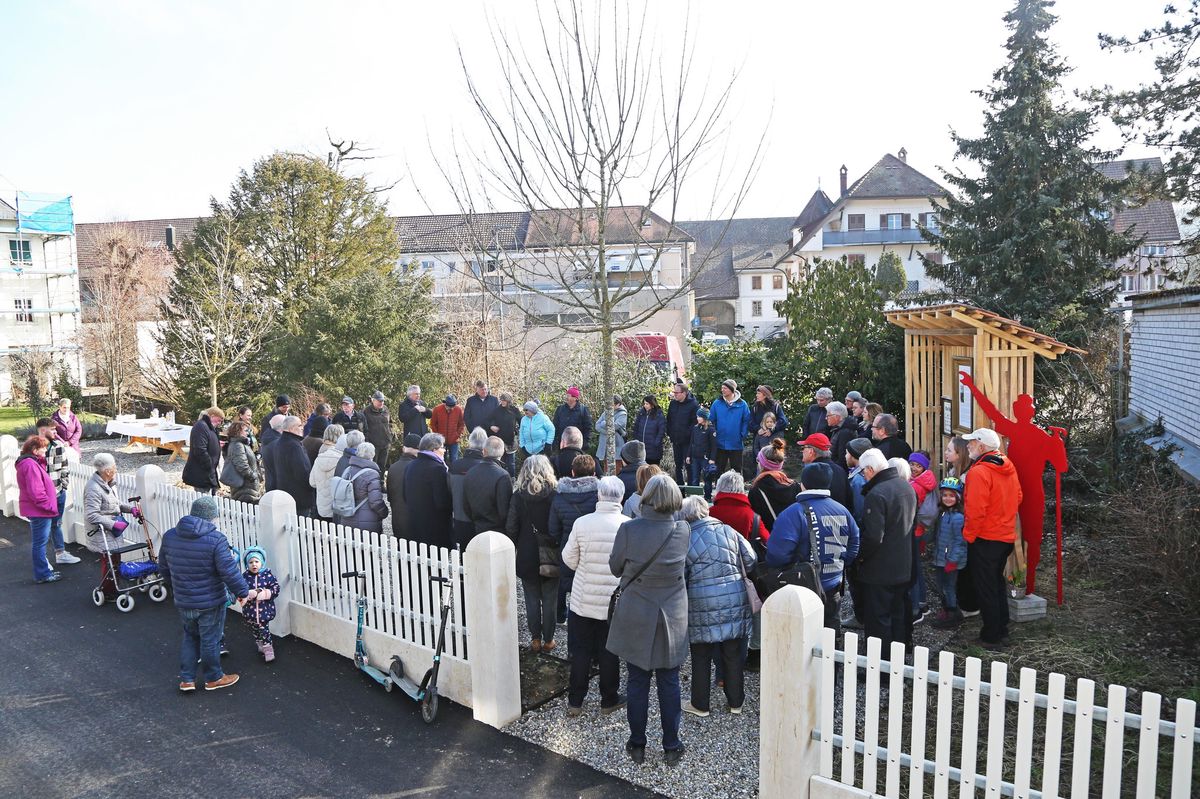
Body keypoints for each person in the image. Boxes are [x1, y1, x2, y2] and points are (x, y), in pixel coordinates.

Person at [959, 371, 1067, 596]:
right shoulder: (1018, 431)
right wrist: (971, 386)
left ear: (1027, 412)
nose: (1019, 412)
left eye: (1022, 410)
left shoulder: (1040, 436)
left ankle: (1029, 585)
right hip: (1012, 488)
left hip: (1030, 491)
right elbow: (992, 412)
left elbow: (1061, 466)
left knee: (1032, 537)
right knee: (1016, 536)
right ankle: (1015, 581)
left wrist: (1057, 443)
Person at [606, 474, 689, 766]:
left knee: (637, 681)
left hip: (636, 612)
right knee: (669, 682)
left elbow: (615, 568)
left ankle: (637, 744)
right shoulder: (683, 530)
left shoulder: (629, 530)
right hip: (672, 615)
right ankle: (671, 744)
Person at [158, 495, 249, 691]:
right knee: (210, 639)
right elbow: (229, 571)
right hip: (210, 601)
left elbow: (164, 568)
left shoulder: (170, 536)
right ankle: (213, 677)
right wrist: (242, 591)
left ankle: (187, 679)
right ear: (211, 517)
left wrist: (176, 588)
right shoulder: (216, 540)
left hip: (184, 600)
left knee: (190, 637)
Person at [679, 495, 755, 718]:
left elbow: (681, 574)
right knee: (732, 652)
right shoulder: (729, 531)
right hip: (734, 599)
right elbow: (750, 558)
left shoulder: (686, 538)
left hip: (701, 602)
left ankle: (700, 704)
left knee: (701, 654)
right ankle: (736, 702)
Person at [767, 462, 862, 630]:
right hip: (834, 583)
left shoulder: (793, 513)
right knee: (830, 632)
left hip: (802, 585)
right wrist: (840, 563)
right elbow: (854, 543)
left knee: (802, 633)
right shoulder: (842, 510)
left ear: (803, 484)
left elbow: (777, 555)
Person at [561, 475, 627, 717]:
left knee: (581, 650)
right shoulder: (627, 525)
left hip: (583, 599)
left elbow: (568, 559)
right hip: (613, 602)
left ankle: (575, 701)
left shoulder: (582, 523)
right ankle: (609, 698)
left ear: (599, 495)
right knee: (609, 651)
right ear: (620, 497)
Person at [960, 427, 1022, 650]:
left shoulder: (979, 472)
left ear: (982, 446)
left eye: (972, 442)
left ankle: (991, 635)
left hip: (985, 538)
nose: (968, 446)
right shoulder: (1006, 464)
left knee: (986, 587)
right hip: (1004, 536)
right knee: (996, 583)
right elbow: (1018, 496)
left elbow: (976, 510)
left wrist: (969, 535)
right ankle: (1001, 627)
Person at [856, 448, 916, 651]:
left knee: (878, 619)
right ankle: (897, 662)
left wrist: (860, 557)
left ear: (871, 469)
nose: (863, 475)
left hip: (880, 569)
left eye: (864, 471)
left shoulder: (877, 494)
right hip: (903, 564)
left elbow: (873, 536)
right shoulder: (905, 486)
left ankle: (879, 667)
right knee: (898, 615)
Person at [506, 454, 560, 652]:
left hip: (527, 553)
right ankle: (549, 640)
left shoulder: (518, 496)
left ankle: (535, 639)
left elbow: (511, 527)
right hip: (551, 554)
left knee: (530, 598)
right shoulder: (555, 494)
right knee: (550, 599)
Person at [549, 453, 599, 616]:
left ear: (572, 473)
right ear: (593, 474)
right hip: (593, 546)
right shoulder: (598, 496)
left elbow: (553, 528)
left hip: (566, 544)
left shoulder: (560, 496)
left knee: (563, 581)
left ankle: (560, 613)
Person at [82, 452, 136, 596]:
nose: (116, 469)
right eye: (114, 467)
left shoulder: (106, 483)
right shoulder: (93, 488)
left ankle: (113, 587)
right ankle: (108, 591)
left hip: (111, 531)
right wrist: (112, 525)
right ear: (107, 471)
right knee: (110, 562)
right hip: (103, 532)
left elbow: (114, 504)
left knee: (115, 560)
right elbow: (91, 515)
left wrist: (131, 509)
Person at [17, 436, 66, 583]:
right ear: (34, 450)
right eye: (43, 447)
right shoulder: (30, 465)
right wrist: (50, 507)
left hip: (38, 510)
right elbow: (36, 492)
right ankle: (43, 574)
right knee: (39, 544)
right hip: (40, 511)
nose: (46, 450)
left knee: (39, 543)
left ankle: (43, 572)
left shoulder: (29, 463)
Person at [35, 418, 79, 567]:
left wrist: (63, 486)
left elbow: (64, 468)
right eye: (52, 429)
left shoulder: (58, 446)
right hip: (42, 497)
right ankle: (43, 561)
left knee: (57, 524)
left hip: (59, 493)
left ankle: (60, 554)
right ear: (42, 430)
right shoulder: (33, 449)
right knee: (42, 528)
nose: (56, 432)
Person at [930, 478, 968, 629]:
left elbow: (960, 542)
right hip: (941, 558)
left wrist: (952, 560)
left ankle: (952, 614)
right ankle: (947, 609)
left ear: (958, 498)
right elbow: (937, 534)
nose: (947, 498)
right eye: (945, 495)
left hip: (950, 561)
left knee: (949, 587)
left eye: (951, 496)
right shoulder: (942, 514)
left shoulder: (958, 518)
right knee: (940, 585)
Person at [405, 432, 453, 549]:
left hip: (415, 521)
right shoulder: (438, 469)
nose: (444, 450)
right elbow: (442, 502)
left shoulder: (411, 465)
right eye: (442, 447)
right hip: (435, 526)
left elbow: (404, 495)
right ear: (434, 449)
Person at [462, 436, 513, 540]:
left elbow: (465, 505)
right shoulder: (503, 475)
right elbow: (505, 511)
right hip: (498, 532)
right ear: (502, 452)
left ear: (484, 451)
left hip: (477, 528)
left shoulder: (470, 472)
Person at [908, 451, 937, 625]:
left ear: (924, 468)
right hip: (920, 529)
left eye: (918, 466)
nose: (913, 468)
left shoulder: (917, 486)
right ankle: (922, 603)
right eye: (912, 464)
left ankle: (916, 607)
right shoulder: (924, 480)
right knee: (917, 568)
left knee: (914, 569)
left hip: (915, 530)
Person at [334, 441, 389, 534]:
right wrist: (384, 512)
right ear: (373, 454)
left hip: (347, 516)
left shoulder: (348, 470)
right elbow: (375, 502)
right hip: (367, 521)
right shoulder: (372, 474)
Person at [240, 547, 281, 662]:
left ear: (261, 563)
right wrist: (247, 595)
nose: (254, 565)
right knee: (255, 630)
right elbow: (241, 590)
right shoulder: (245, 577)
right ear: (247, 564)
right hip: (251, 611)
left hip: (264, 610)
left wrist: (264, 594)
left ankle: (268, 649)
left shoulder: (268, 575)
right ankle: (260, 645)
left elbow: (276, 589)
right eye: (251, 562)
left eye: (256, 562)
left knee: (264, 629)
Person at [749, 439, 799, 532]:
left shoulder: (756, 490)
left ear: (762, 464)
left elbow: (755, 520)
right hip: (794, 537)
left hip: (770, 538)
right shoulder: (794, 485)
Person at [449, 427, 487, 546]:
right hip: (482, 523)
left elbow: (449, 492)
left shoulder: (454, 466)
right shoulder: (488, 468)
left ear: (470, 442)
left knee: (463, 559)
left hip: (459, 520)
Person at [796, 432, 853, 510]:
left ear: (811, 451)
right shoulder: (840, 470)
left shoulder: (811, 473)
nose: (802, 451)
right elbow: (849, 501)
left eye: (803, 448)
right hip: (841, 517)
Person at [710, 470, 767, 543]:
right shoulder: (752, 517)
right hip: (743, 554)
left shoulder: (708, 514)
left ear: (719, 487)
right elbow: (767, 541)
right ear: (741, 489)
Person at [273, 416, 315, 515]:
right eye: (300, 425)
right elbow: (302, 472)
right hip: (299, 496)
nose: (302, 427)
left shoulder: (280, 443)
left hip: (286, 493)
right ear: (292, 429)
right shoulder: (294, 446)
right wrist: (311, 487)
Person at [385, 433, 422, 538]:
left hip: (397, 520)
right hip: (415, 521)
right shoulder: (418, 468)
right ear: (417, 449)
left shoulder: (393, 468)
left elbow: (389, 496)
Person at [710, 379, 750, 476]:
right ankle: (719, 489)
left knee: (736, 470)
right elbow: (711, 419)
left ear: (732, 390)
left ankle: (737, 490)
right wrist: (715, 433)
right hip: (720, 442)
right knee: (719, 470)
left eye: (725, 388)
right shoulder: (717, 403)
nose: (722, 390)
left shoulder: (742, 404)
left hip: (736, 443)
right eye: (722, 388)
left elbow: (746, 421)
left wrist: (742, 434)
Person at [181, 407, 224, 494]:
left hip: (209, 471)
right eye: (218, 420)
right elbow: (200, 449)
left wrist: (216, 444)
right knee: (204, 500)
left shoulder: (208, 426)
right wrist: (209, 464)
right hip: (201, 472)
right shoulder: (201, 426)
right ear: (212, 416)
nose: (219, 423)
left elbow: (207, 442)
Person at [308, 424, 346, 522]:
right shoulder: (340, 456)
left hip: (322, 505)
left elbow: (312, 482)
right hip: (336, 505)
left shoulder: (322, 449)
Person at [665, 383, 699, 485]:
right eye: (674, 392)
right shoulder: (673, 404)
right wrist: (670, 433)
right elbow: (669, 420)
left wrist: (686, 435)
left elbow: (695, 423)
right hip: (675, 440)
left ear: (684, 393)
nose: (674, 394)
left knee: (689, 465)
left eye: (676, 392)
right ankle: (680, 487)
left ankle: (690, 487)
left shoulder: (693, 404)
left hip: (688, 441)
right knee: (678, 464)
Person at [222, 421, 262, 503]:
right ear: (238, 431)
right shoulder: (237, 445)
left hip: (248, 484)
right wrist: (252, 476)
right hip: (245, 485)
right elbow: (241, 465)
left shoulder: (242, 444)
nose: (248, 433)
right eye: (246, 430)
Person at [488, 392, 522, 476]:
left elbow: (522, 422)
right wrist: (491, 426)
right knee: (500, 463)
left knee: (511, 463)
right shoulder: (497, 410)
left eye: (504, 400)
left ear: (508, 401)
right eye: (501, 400)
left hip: (511, 440)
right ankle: (501, 480)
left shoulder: (514, 410)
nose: (502, 402)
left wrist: (520, 432)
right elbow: (488, 420)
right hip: (500, 440)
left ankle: (512, 479)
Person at [685, 408, 716, 500]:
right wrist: (688, 455)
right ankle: (695, 497)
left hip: (705, 458)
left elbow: (714, 446)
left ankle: (707, 496)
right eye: (697, 416)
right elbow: (691, 443)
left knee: (707, 478)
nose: (697, 418)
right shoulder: (695, 428)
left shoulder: (711, 430)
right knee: (695, 478)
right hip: (695, 458)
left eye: (700, 416)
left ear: (705, 418)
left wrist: (712, 459)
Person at [553, 387, 593, 453]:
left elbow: (588, 428)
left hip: (578, 447)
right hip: (562, 446)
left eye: (568, 396)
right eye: (566, 395)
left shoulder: (583, 410)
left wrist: (585, 443)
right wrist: (555, 442)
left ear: (575, 398)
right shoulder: (560, 409)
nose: (566, 397)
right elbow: (555, 426)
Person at [630, 395, 666, 466]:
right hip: (641, 448)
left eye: (647, 404)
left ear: (652, 404)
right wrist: (636, 439)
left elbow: (661, 431)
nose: (645, 406)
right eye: (644, 404)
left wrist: (656, 442)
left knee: (653, 470)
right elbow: (636, 427)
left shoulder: (659, 415)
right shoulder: (641, 414)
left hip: (653, 449)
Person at [595, 395, 628, 473]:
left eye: (613, 404)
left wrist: (603, 423)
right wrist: (607, 431)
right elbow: (597, 425)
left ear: (618, 404)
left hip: (616, 445)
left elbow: (615, 426)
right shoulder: (606, 411)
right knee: (606, 468)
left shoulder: (622, 414)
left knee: (616, 469)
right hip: (605, 445)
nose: (611, 406)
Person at [844, 437, 873, 522]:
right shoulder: (866, 473)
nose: (845, 456)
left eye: (847, 453)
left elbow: (859, 510)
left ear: (853, 455)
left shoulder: (858, 479)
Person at [362, 391, 393, 469]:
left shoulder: (386, 409)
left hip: (385, 444)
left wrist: (391, 435)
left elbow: (391, 423)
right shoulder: (366, 411)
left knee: (382, 466)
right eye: (379, 401)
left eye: (382, 400)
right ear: (373, 400)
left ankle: (381, 481)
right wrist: (367, 440)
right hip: (373, 445)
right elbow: (363, 428)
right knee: (373, 466)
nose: (381, 402)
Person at [432, 394, 466, 462]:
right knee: (440, 460)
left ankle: (453, 472)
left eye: (453, 406)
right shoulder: (437, 409)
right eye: (449, 407)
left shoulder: (458, 410)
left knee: (454, 459)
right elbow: (433, 424)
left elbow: (461, 424)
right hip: (440, 440)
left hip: (454, 440)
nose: (451, 408)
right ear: (445, 404)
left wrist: (457, 435)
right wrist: (438, 436)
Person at [823, 402, 856, 468]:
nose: (826, 418)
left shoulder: (845, 432)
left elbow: (842, 459)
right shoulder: (838, 428)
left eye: (828, 416)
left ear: (837, 417)